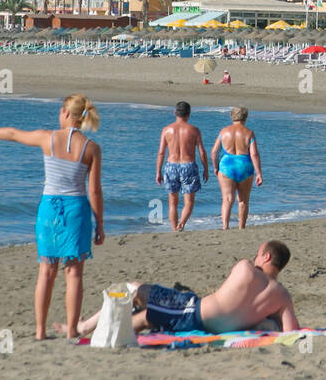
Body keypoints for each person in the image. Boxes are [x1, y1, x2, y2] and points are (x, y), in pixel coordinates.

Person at [0, 93, 104, 340]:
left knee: (46, 272)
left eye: (60, 111)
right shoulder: (91, 148)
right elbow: (94, 190)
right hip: (76, 211)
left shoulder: (47, 138)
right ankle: (72, 330)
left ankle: (40, 332)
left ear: (66, 114)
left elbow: (12, 133)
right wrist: (100, 223)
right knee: (74, 274)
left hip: (49, 209)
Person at [72, 242, 299, 337]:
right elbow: (291, 332)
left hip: (193, 311)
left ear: (266, 256)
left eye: (258, 253)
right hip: (205, 322)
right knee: (146, 317)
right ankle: (103, 329)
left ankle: (84, 326)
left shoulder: (246, 268)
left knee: (133, 288)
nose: (255, 256)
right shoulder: (282, 296)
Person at [157, 101, 208, 231]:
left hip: (171, 166)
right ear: (189, 114)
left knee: (172, 202)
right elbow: (202, 152)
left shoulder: (166, 130)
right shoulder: (194, 130)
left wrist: (158, 172)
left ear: (175, 113)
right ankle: (181, 224)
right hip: (188, 165)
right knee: (189, 202)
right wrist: (206, 169)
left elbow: (161, 152)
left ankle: (174, 228)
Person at [211, 105, 263, 230]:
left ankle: (225, 226)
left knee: (227, 199)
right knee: (243, 200)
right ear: (245, 117)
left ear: (232, 116)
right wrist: (259, 173)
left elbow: (214, 152)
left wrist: (215, 167)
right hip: (244, 166)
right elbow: (254, 154)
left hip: (227, 166)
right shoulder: (249, 133)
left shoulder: (223, 132)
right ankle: (241, 227)